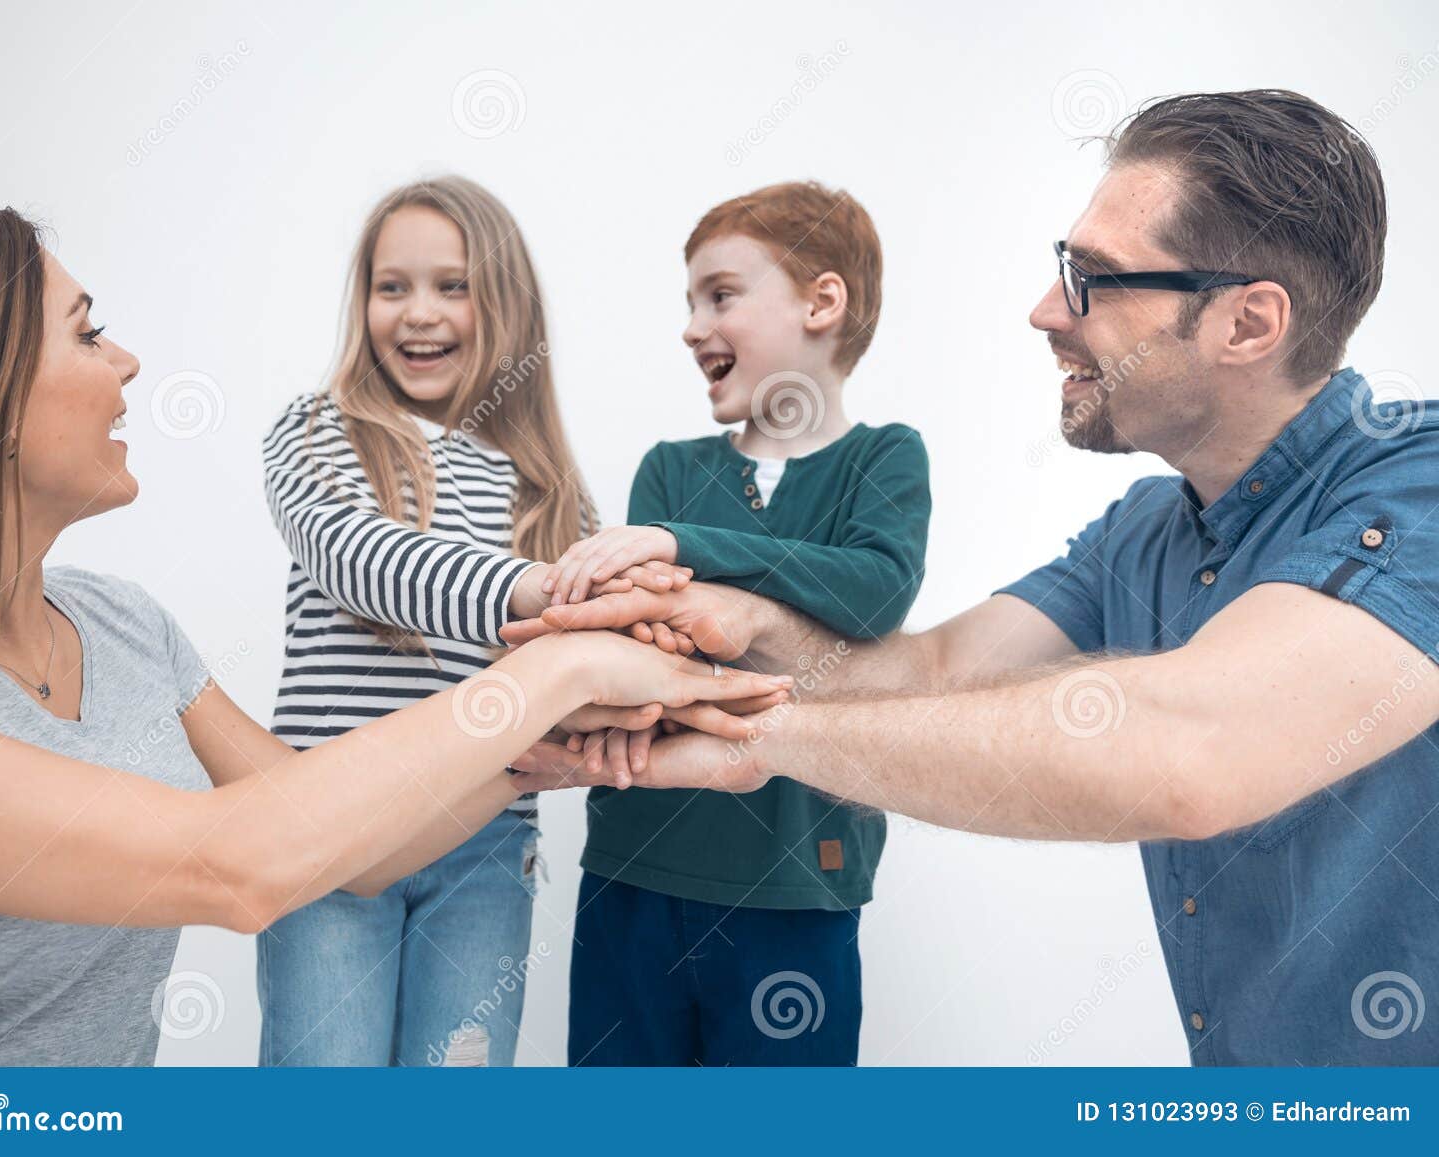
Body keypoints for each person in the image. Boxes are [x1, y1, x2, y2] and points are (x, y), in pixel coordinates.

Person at [509, 90, 1439, 1066]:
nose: (1046, 311)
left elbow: (1189, 746)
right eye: (1059, 268)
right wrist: (731, 611)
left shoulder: (1418, 488)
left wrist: (769, 740)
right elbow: (933, 666)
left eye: (1094, 280)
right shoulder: (1141, 535)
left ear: (1247, 323)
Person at [0, 200, 790, 1067]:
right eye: (89, 333)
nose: (128, 360)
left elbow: (355, 849)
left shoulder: (127, 628)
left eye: (455, 285)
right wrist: (567, 645)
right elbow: (239, 864)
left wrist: (562, 748)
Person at [256, 175, 693, 1067]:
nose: (419, 313)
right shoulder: (317, 430)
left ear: (506, 306)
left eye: (453, 285)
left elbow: (592, 658)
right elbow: (362, 560)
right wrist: (543, 590)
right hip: (330, 825)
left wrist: (645, 639)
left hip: (486, 842)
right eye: (392, 286)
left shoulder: (552, 493)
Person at [538, 182, 930, 1066]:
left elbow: (874, 594)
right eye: (688, 302)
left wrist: (683, 543)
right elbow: (646, 647)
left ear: (823, 303)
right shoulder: (671, 469)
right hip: (633, 873)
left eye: (720, 295)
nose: (690, 326)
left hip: (799, 886)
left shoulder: (886, 457)